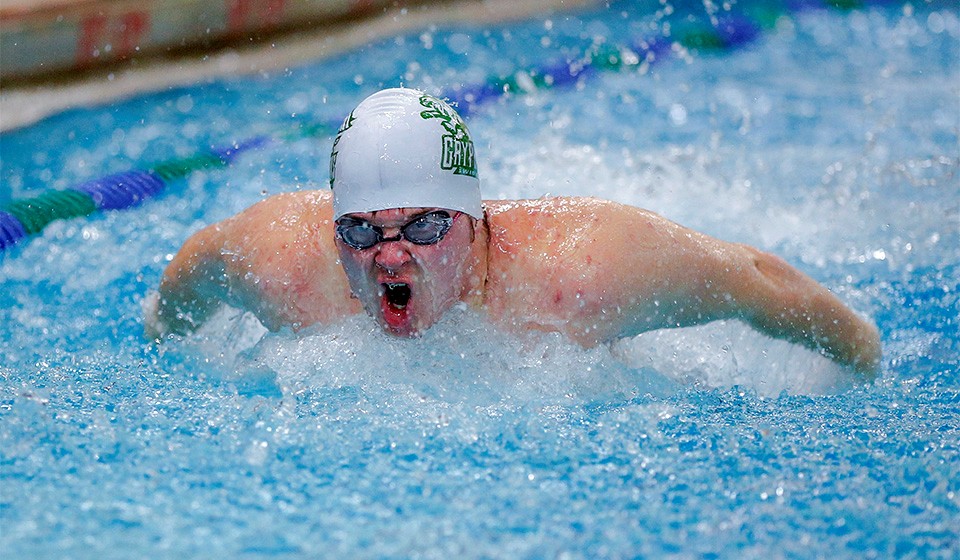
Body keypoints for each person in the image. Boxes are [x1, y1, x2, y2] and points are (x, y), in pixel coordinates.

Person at [145, 88, 881, 376]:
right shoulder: (281, 262)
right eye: (362, 234)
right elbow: (189, 276)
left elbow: (756, 280)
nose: (389, 256)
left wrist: (863, 362)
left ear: (473, 220)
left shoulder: (586, 271)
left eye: (423, 226)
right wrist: (158, 342)